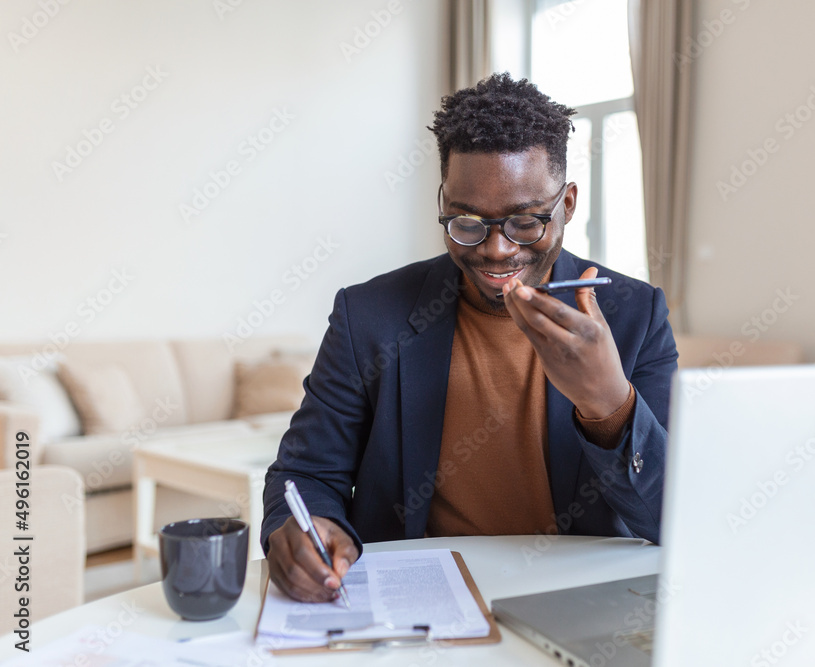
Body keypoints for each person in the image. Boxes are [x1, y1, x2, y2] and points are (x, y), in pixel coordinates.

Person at [261, 72, 679, 603]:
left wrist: (609, 404)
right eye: (466, 221)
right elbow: (306, 473)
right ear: (443, 199)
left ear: (568, 204)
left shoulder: (635, 316)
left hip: (575, 600)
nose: (497, 250)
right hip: (416, 600)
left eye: (525, 222)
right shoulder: (367, 315)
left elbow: (673, 518)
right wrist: (305, 530)